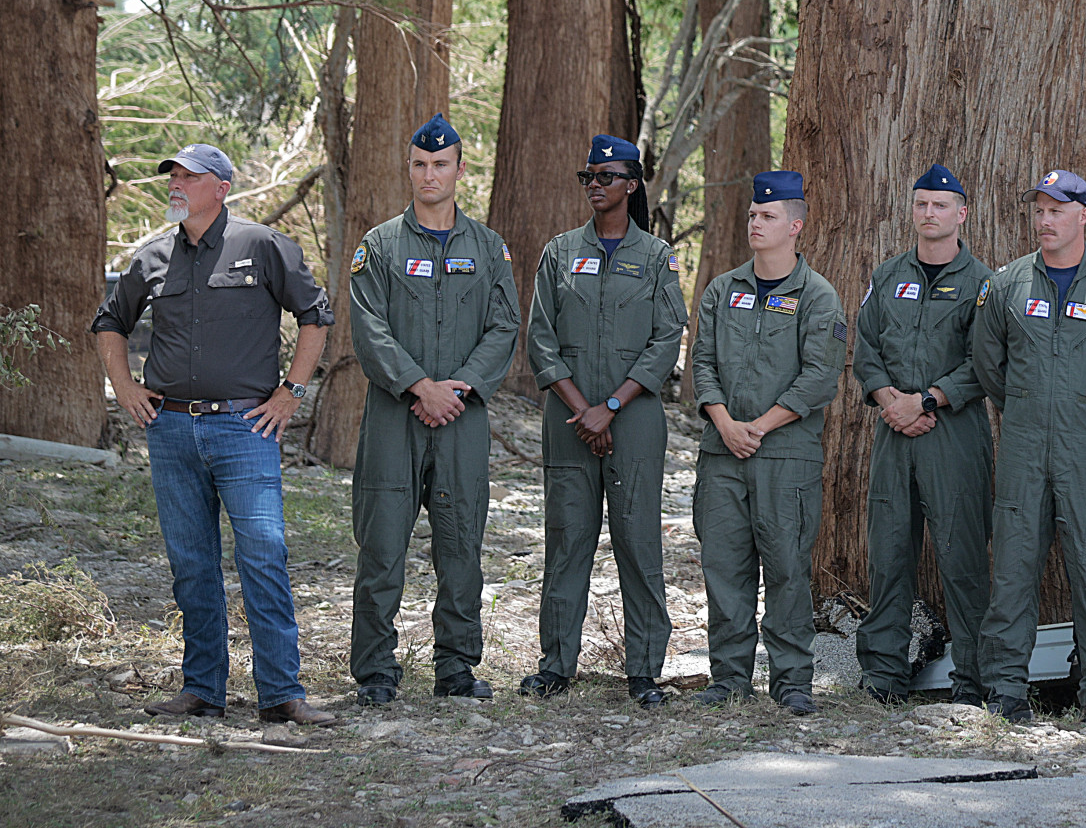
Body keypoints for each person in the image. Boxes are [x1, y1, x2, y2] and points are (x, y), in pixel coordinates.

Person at [97, 142, 336, 727]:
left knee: (263, 554)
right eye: (172, 176)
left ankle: (281, 693)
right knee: (191, 563)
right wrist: (125, 386)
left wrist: (291, 392)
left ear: (222, 187)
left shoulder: (263, 245)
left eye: (188, 176)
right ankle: (202, 688)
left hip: (245, 427)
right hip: (171, 428)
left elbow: (315, 316)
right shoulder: (151, 256)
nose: (175, 184)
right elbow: (109, 323)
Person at [969, 169, 1086, 726]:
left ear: (1082, 217)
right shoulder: (1005, 286)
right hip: (1024, 442)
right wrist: (1030, 404)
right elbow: (988, 365)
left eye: (1057, 210)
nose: (1045, 220)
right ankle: (1005, 687)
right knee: (1014, 568)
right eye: (1039, 210)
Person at [346, 115, 520, 706]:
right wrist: (420, 386)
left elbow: (503, 328)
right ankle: (374, 669)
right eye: (419, 164)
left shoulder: (488, 247)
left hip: (462, 419)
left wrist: (461, 388)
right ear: (410, 168)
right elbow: (368, 329)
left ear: (459, 171)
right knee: (382, 542)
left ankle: (456, 668)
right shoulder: (380, 245)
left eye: (440, 165)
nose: (429, 174)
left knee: (461, 540)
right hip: (396, 417)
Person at [522, 135, 688, 707]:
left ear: (632, 184)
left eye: (606, 176)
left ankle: (643, 669)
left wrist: (611, 405)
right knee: (567, 541)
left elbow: (667, 339)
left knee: (638, 541)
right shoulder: (560, 252)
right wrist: (582, 409)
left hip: (634, 419)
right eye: (587, 176)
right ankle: (556, 664)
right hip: (569, 420)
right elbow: (540, 340)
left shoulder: (657, 257)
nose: (595, 184)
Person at [690, 171, 847, 713]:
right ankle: (729, 677)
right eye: (753, 215)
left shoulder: (818, 296)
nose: (756, 223)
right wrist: (726, 423)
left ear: (795, 225)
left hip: (785, 458)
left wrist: (760, 426)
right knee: (725, 568)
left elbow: (819, 378)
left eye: (768, 216)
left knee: (785, 569)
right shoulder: (721, 289)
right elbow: (702, 363)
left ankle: (791, 681)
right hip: (722, 453)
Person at [852, 164, 996, 705]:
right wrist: (891, 401)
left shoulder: (984, 283)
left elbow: (985, 362)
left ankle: (974, 679)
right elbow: (866, 350)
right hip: (894, 434)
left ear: (961, 214)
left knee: (962, 558)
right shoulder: (888, 276)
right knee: (889, 555)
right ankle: (884, 675)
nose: (929, 214)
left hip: (953, 435)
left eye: (940, 206)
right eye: (921, 204)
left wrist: (928, 399)